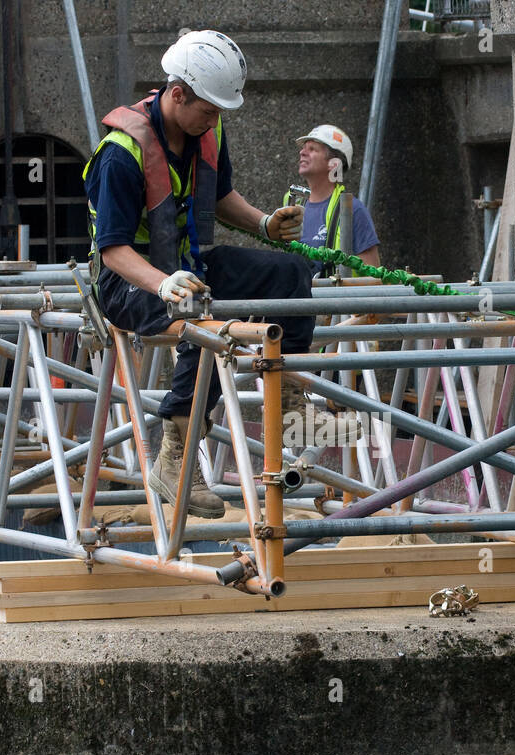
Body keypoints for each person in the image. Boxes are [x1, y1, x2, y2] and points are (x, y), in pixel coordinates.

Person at [83, 30, 355, 520]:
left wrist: (265, 225)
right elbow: (113, 250)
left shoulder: (207, 129)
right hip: (129, 281)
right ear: (177, 93)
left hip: (188, 266)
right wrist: (163, 283)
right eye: (208, 110)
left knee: (291, 270)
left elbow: (220, 198)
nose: (214, 120)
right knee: (198, 308)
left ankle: (288, 397)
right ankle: (176, 457)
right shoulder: (121, 153)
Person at [286, 125, 380, 277]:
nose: (302, 152)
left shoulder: (352, 210)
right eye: (304, 148)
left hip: (335, 300)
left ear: (334, 164)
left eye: (312, 149)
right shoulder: (292, 203)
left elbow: (373, 277)